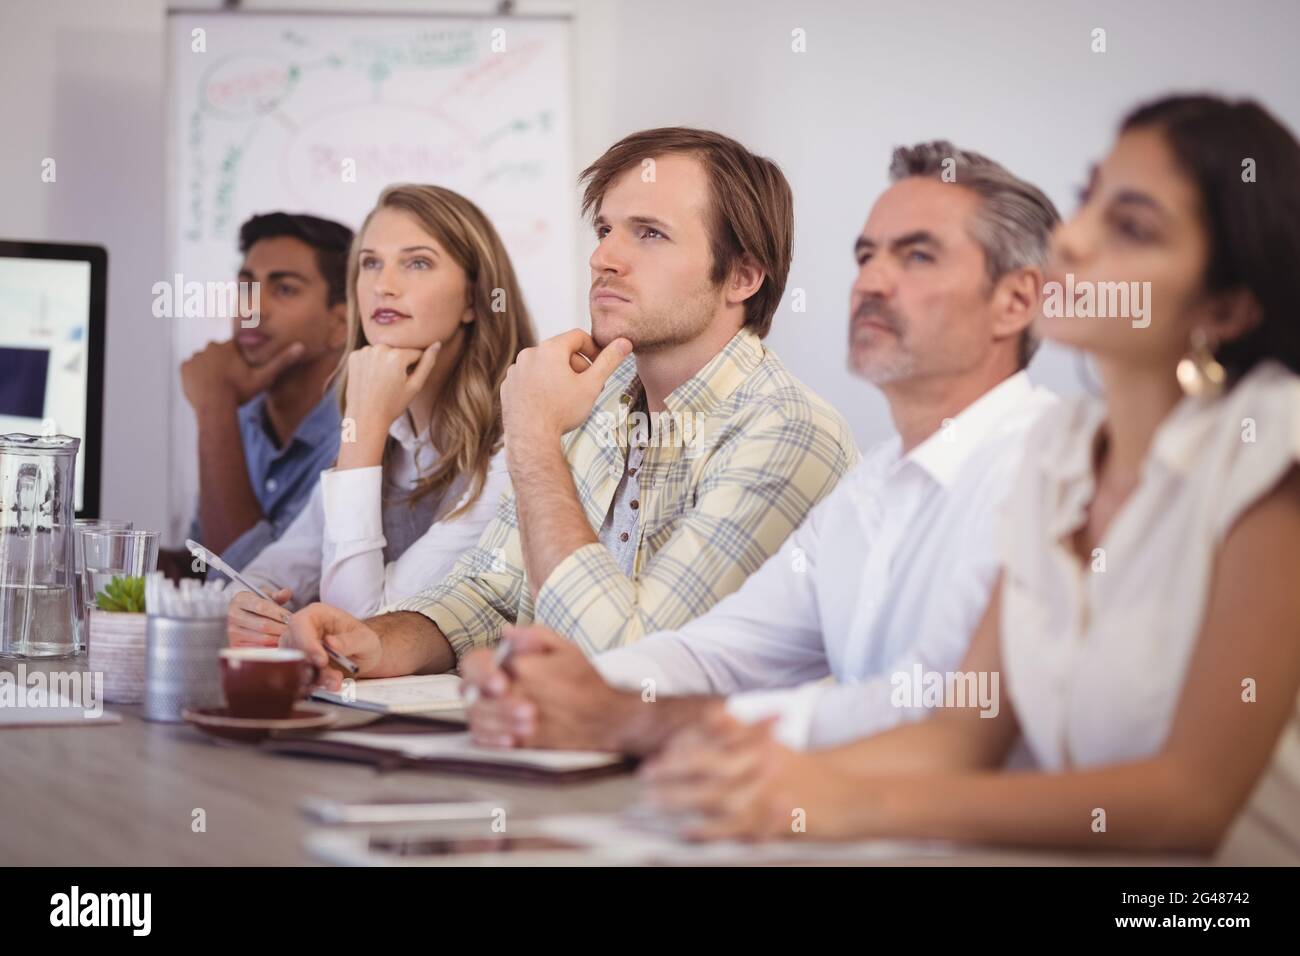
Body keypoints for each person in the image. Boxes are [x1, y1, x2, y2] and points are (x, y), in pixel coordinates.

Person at [641, 94, 1300, 857]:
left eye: (1132, 227)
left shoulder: (1271, 445)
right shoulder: (1061, 449)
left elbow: (1186, 804)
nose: (1074, 242)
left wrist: (849, 800)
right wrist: (759, 779)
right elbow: (959, 735)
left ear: (1226, 306)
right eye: (1088, 201)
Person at [461, 142, 1063, 753]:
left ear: (1016, 301)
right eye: (866, 255)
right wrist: (545, 686)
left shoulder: (1046, 470)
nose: (871, 281)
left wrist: (627, 714)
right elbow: (716, 654)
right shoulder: (874, 486)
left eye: (918, 255)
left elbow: (928, 709)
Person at [282, 128, 858, 688]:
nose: (604, 256)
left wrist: (533, 437)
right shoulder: (601, 399)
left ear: (742, 276)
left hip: (701, 775)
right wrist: (375, 642)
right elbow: (486, 595)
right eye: (605, 229)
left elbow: (633, 668)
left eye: (650, 233)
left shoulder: (788, 432)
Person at [226, 185, 536, 645]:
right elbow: (273, 568)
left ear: (474, 300)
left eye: (417, 263)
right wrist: (245, 607)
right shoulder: (386, 424)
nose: (383, 285)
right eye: (370, 262)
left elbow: (363, 627)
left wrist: (363, 431)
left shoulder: (512, 446)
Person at [174, 212, 353, 574]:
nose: (252, 308)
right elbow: (204, 562)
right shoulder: (243, 416)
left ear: (341, 323)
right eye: (247, 287)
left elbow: (253, 589)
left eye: (284, 289)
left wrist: (214, 403)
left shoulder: (358, 436)